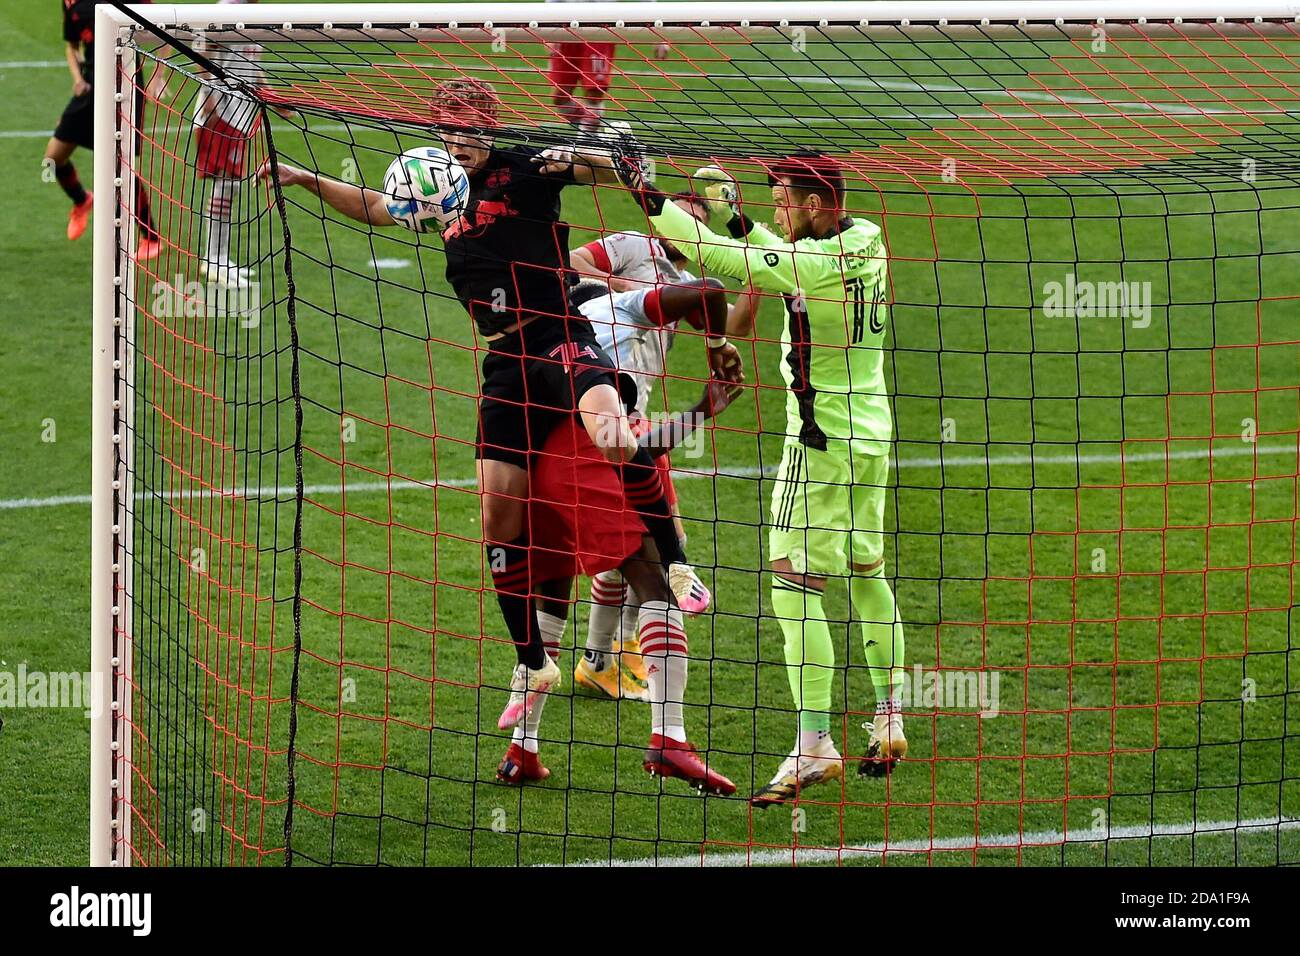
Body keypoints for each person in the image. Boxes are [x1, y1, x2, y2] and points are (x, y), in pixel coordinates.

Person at [261, 77, 742, 793]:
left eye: (472, 120)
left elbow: (582, 166)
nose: (461, 133)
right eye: (448, 122)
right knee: (513, 533)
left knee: (623, 539)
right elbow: (374, 207)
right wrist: (303, 177)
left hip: (561, 355)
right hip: (510, 372)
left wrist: (625, 163)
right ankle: (533, 711)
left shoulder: (528, 169)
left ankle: (657, 679)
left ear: (490, 121)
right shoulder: (440, 189)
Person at [620, 150, 907, 803]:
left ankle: (813, 746)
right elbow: (778, 259)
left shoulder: (810, 263)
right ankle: (889, 712)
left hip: (818, 443)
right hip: (874, 434)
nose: (778, 208)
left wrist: (646, 192)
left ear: (811, 206)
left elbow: (722, 261)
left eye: (783, 200)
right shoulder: (867, 240)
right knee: (868, 572)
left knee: (794, 586)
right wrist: (741, 217)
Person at [47, 0, 162, 259]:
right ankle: (81, 200)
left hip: (125, 83)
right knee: (53, 159)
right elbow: (72, 45)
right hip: (90, 84)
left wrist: (158, 76)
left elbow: (161, 30)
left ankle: (151, 237)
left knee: (119, 166)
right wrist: (77, 81)